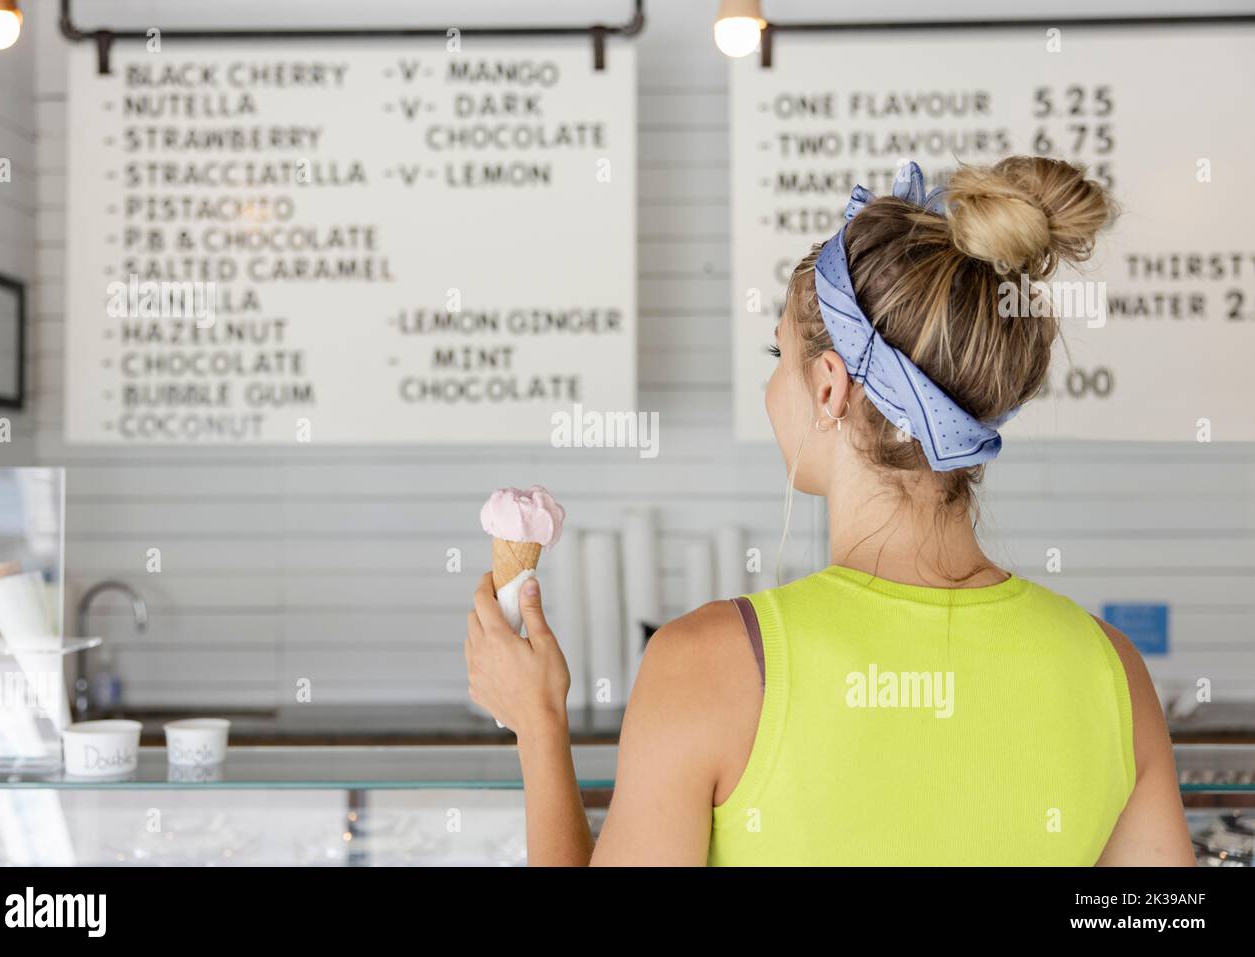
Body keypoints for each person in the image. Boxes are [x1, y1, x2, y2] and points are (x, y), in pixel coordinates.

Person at [464, 157, 1195, 866]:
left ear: (827, 386)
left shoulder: (704, 665)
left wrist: (538, 720)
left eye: (775, 353)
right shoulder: (1113, 671)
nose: (768, 388)